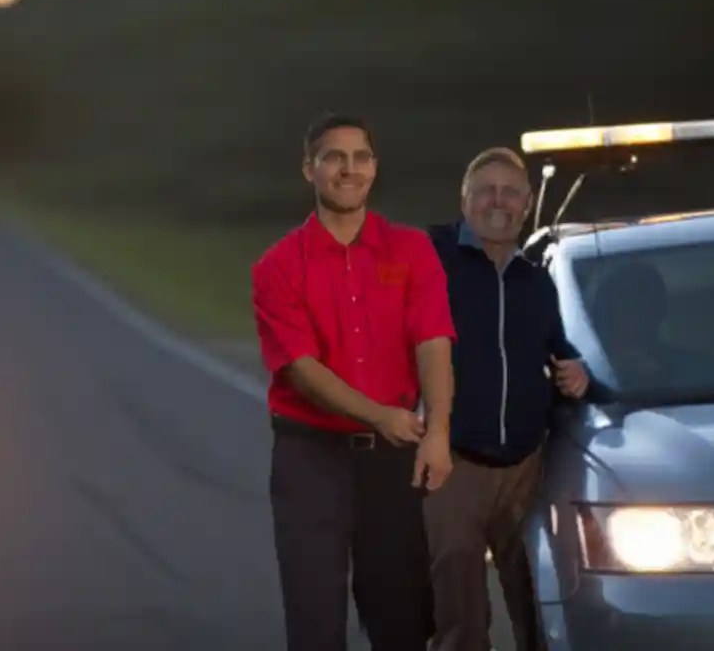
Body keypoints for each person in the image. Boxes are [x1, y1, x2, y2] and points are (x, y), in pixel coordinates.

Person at [251, 112, 457, 651]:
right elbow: (302, 368)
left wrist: (437, 431)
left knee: (402, 620)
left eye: (360, 157)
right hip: (309, 459)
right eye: (333, 157)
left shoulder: (411, 250)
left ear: (374, 167)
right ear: (309, 169)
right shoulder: (277, 267)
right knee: (316, 622)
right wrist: (381, 415)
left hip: (391, 462)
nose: (349, 169)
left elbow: (433, 341)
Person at [424, 147, 589, 651]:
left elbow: (560, 348)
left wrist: (577, 369)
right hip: (453, 467)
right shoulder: (427, 257)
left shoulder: (537, 282)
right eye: (486, 190)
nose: (498, 202)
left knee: (541, 606)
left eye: (510, 192)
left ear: (527, 202)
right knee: (462, 619)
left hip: (526, 470)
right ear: (465, 198)